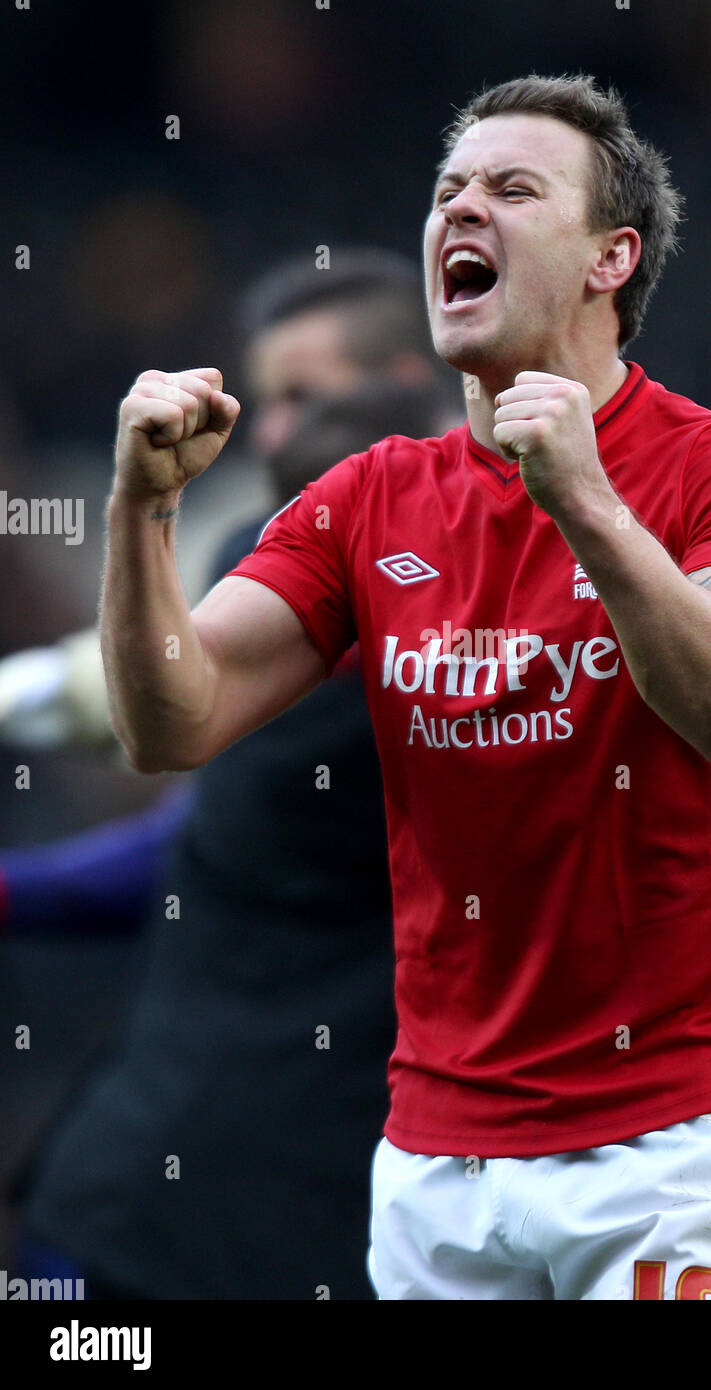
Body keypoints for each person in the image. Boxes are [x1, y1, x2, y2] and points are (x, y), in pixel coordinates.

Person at [101, 72, 711, 1301]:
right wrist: (144, 511)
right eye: (447, 192)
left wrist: (584, 502)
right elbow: (170, 721)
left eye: (511, 188)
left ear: (613, 257)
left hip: (669, 1143)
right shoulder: (368, 496)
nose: (461, 212)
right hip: (438, 1163)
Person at [11, 250, 451, 1299]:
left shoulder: (452, 600)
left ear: (403, 384)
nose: (268, 429)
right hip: (199, 1219)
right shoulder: (300, 566)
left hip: (217, 1214)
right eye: (264, 396)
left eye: (301, 393)